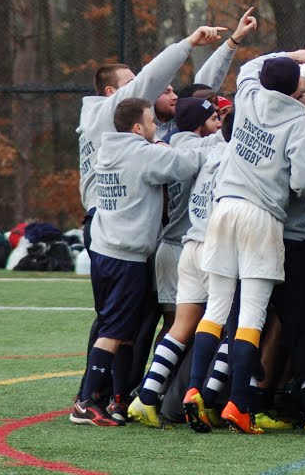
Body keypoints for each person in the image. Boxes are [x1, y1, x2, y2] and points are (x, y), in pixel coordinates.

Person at [182, 45, 305, 435]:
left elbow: (249, 65)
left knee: (217, 308)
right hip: (262, 217)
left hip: (224, 207)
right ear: (297, 88)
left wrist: (300, 52)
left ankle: (194, 391)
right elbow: (301, 183)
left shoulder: (246, 95)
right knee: (251, 315)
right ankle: (239, 406)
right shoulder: (300, 125)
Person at [72, 97, 209, 426]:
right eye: (151, 122)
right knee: (115, 330)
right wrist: (213, 144)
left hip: (106, 249)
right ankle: (87, 401)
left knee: (123, 330)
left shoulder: (109, 146)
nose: (155, 127)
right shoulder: (142, 153)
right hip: (126, 256)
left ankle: (118, 398)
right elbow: (185, 164)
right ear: (137, 128)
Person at [128, 108, 233, 429]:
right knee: (233, 325)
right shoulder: (238, 156)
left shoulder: (207, 150)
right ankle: (207, 399)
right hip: (215, 251)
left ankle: (146, 397)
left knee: (181, 327)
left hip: (189, 245)